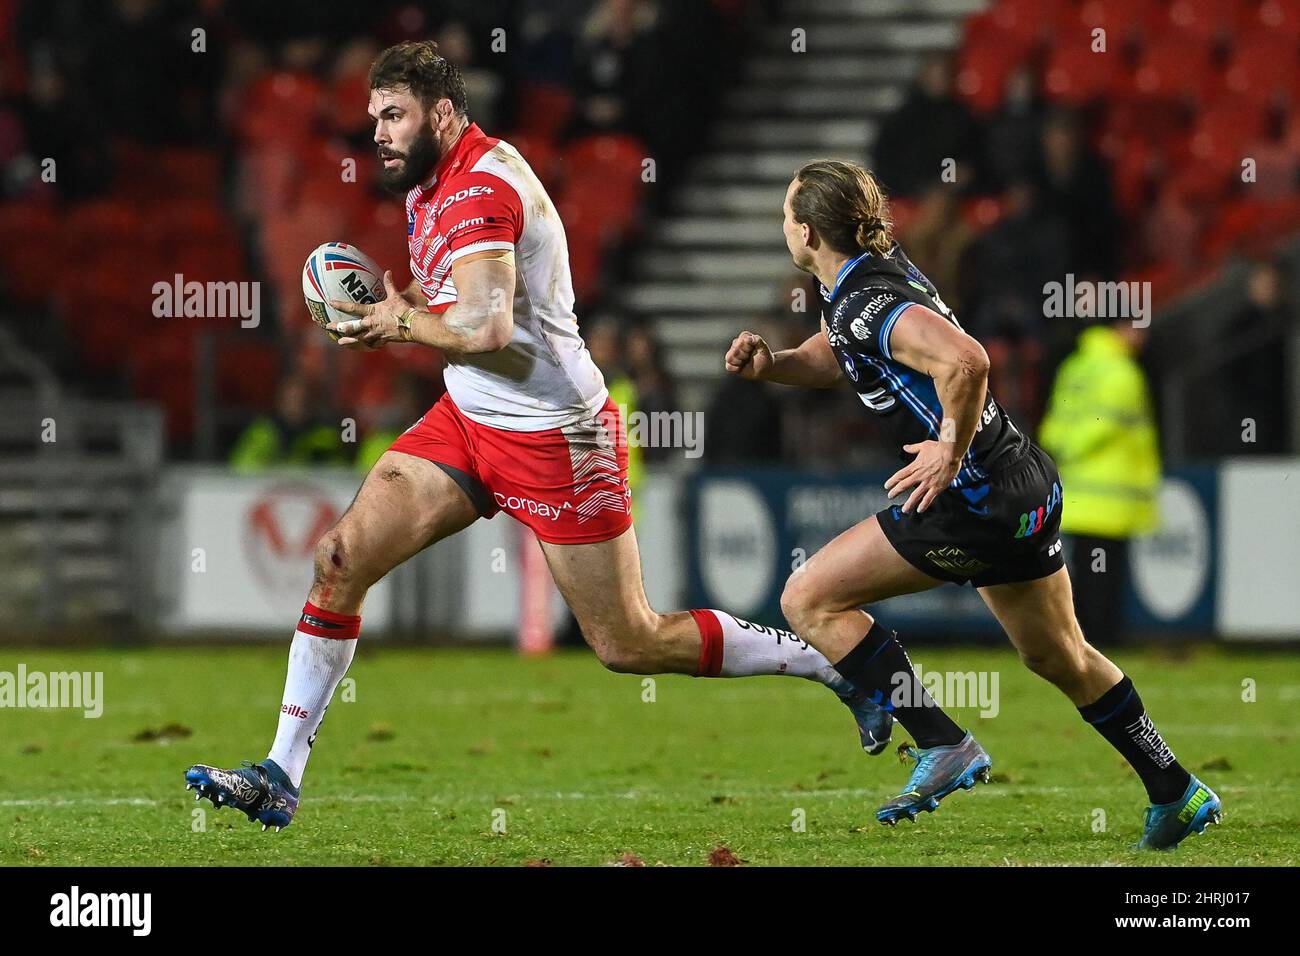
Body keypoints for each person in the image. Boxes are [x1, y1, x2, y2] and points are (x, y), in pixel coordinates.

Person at [185, 42, 891, 831]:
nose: (377, 132)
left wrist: (399, 322)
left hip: (560, 435)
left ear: (443, 115)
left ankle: (829, 663)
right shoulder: (435, 180)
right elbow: (471, 296)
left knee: (629, 641)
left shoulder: (479, 191)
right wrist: (416, 299)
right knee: (338, 559)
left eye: (394, 115)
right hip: (469, 419)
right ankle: (281, 772)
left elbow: (487, 328)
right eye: (375, 115)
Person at [723, 160, 1219, 848]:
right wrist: (775, 364)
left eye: (785, 215)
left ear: (805, 231)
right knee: (1060, 657)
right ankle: (1175, 788)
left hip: (971, 497)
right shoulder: (858, 284)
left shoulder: (867, 300)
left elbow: (968, 360)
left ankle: (939, 739)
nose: (783, 226)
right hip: (1022, 484)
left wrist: (947, 448)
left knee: (811, 600)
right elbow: (842, 356)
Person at [1038, 317, 1161, 645]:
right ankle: (1102, 642)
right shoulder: (1122, 372)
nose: (1142, 337)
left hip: (1078, 489)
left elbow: (1055, 418)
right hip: (1112, 495)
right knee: (1106, 577)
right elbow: (1105, 424)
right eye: (1138, 328)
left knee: (1084, 572)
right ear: (1120, 328)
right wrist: (1076, 447)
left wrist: (1061, 450)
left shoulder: (1074, 367)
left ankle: (1082, 639)